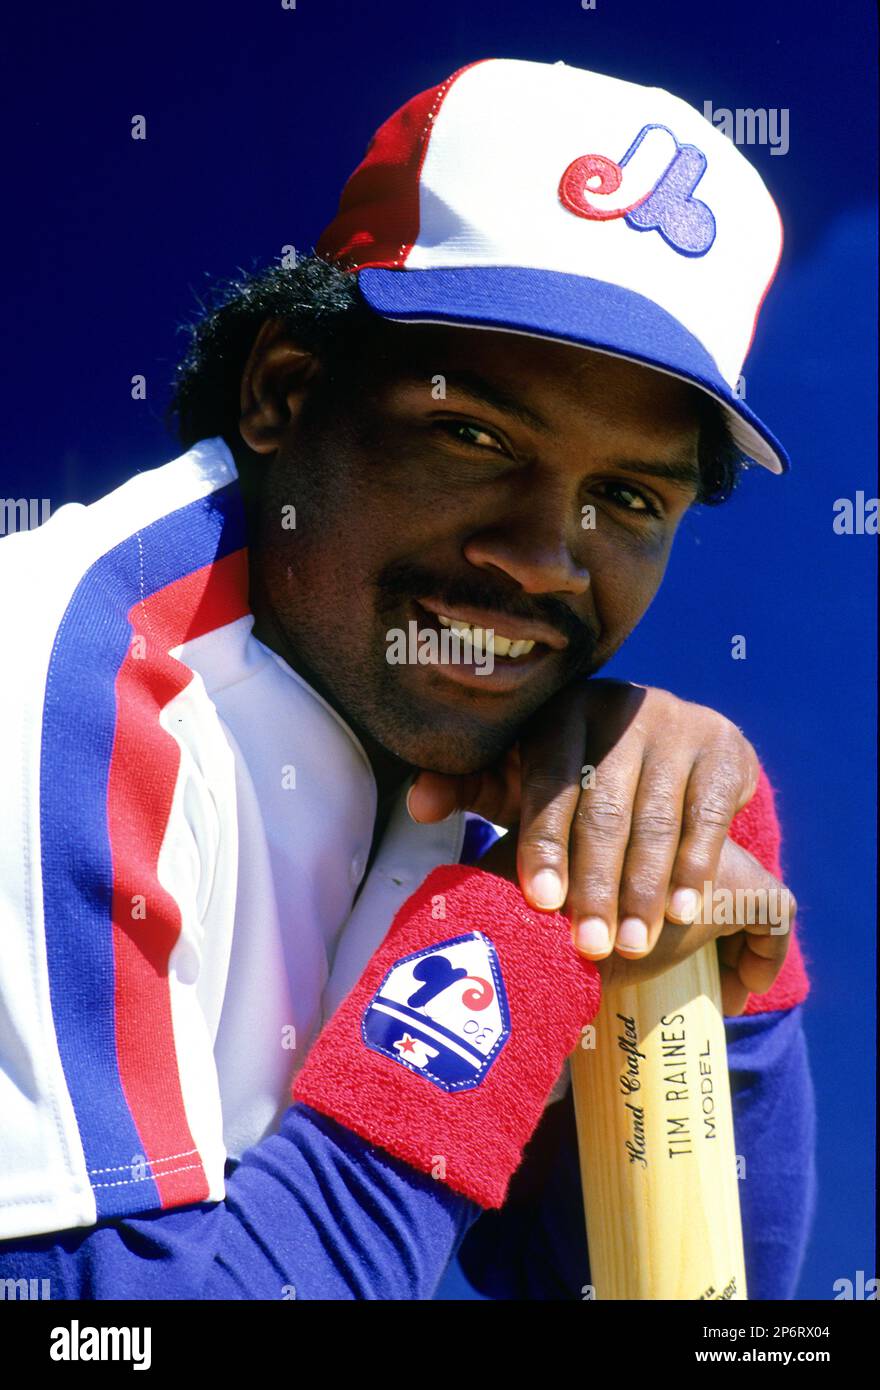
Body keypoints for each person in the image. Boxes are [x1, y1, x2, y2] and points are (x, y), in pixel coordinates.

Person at [0, 57, 814, 1300]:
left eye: (626, 497)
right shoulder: (50, 678)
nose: (542, 560)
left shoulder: (479, 731)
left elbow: (654, 1304)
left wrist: (687, 897)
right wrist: (504, 959)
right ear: (286, 391)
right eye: (474, 436)